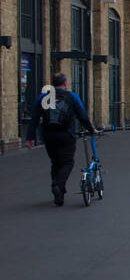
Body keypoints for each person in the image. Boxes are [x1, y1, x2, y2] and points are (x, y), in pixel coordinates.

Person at [23, 72, 100, 205]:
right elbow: (82, 116)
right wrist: (91, 130)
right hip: (67, 136)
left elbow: (34, 118)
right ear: (65, 83)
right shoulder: (72, 97)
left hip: (48, 136)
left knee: (56, 163)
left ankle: (59, 195)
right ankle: (58, 185)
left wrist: (30, 138)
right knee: (67, 162)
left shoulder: (43, 97)